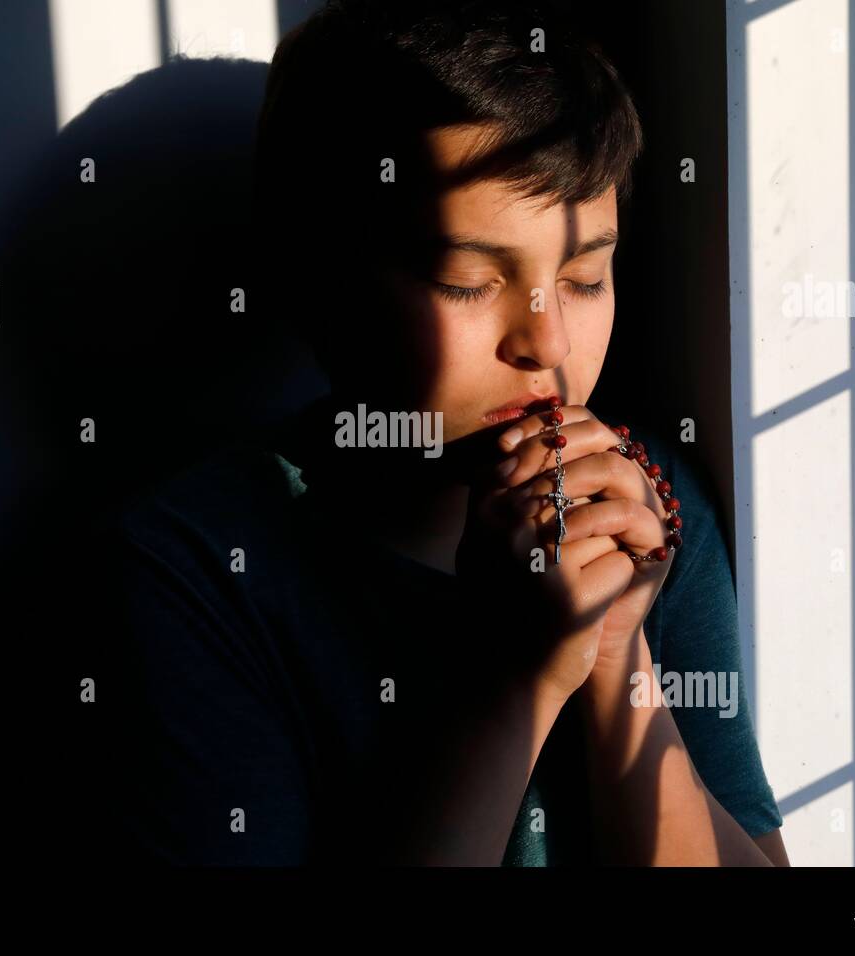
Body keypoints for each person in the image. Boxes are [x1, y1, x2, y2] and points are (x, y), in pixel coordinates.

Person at [100, 0, 788, 866]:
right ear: (321, 286)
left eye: (583, 278)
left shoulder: (643, 501)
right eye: (469, 281)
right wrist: (521, 679)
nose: (545, 343)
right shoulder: (199, 572)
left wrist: (617, 650)